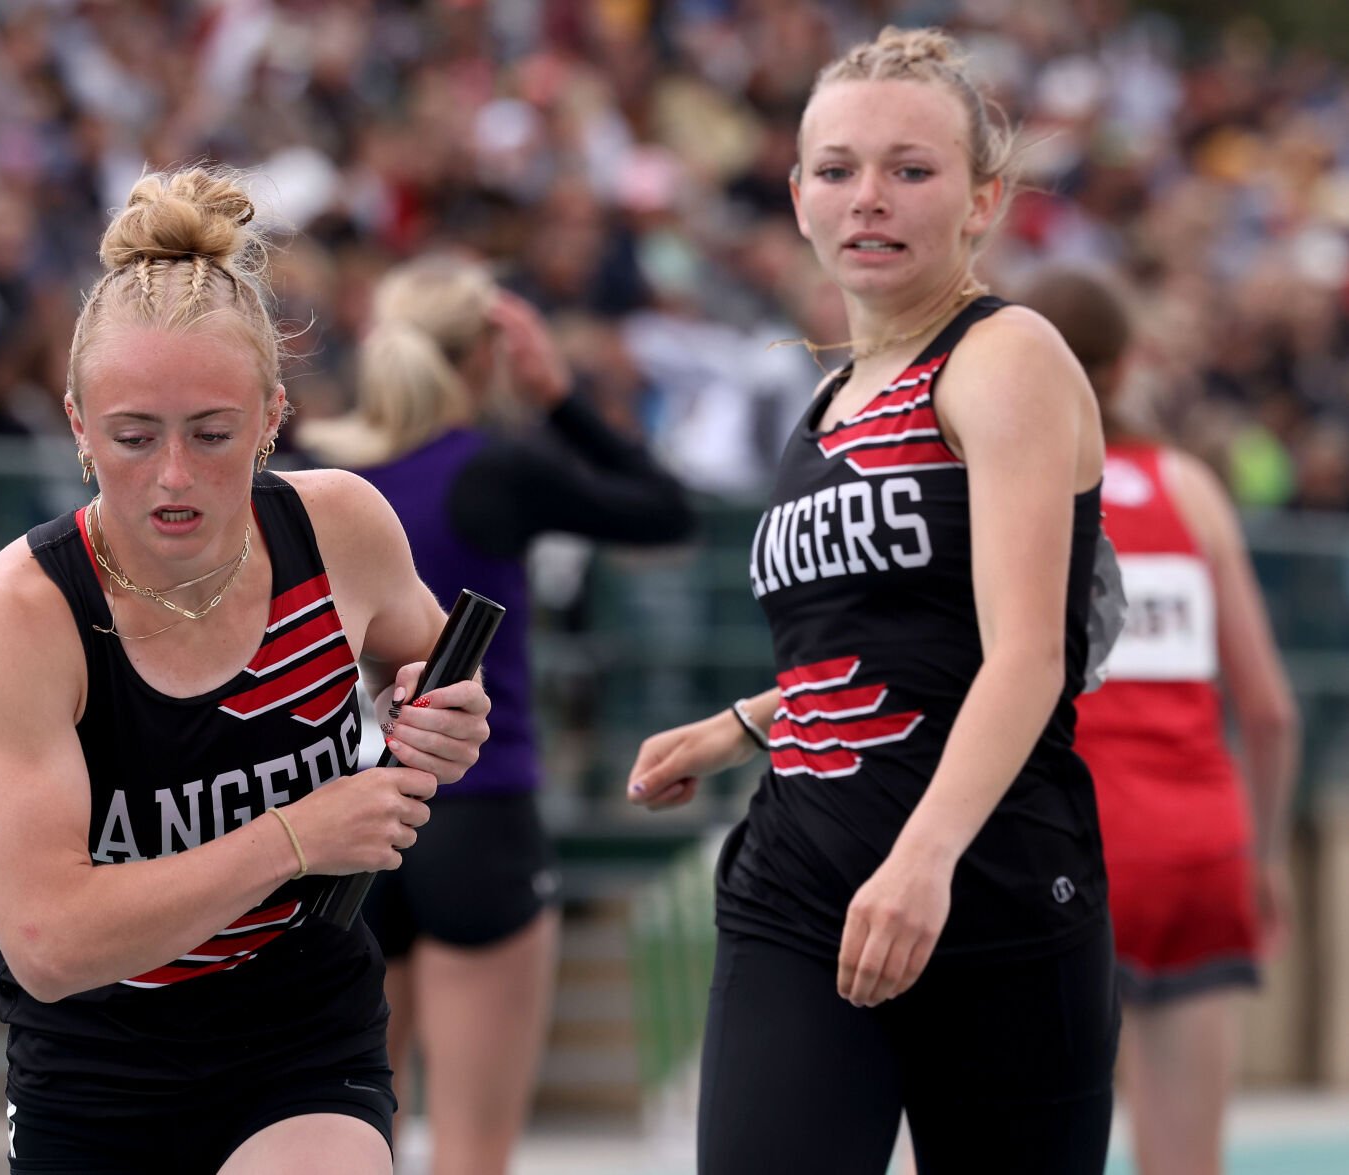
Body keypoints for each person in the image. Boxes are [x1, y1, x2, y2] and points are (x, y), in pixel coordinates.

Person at [624, 27, 1119, 1174]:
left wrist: (920, 859)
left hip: (986, 882)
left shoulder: (1003, 357)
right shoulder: (823, 401)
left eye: (910, 169)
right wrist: (745, 721)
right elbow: (882, 643)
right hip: (798, 883)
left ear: (980, 199)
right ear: (796, 196)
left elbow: (1023, 654)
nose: (869, 198)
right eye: (837, 169)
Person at [0, 165, 492, 1175]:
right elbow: (51, 943)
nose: (172, 477)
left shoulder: (338, 528)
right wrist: (294, 834)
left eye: (212, 435)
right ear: (75, 424)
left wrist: (442, 713)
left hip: (299, 1021)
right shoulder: (21, 613)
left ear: (272, 415)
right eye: (131, 436)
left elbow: (428, 667)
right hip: (98, 1053)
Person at [299, 254, 694, 1175]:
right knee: (473, 1156)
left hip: (344, 815)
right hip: (479, 811)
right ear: (486, 357)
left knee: (347, 1144)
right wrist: (559, 399)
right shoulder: (495, 468)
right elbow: (667, 512)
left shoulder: (316, 473)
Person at [1020, 265, 1299, 1175]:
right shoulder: (1189, 487)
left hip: (1056, 852)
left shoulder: (1002, 489)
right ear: (1128, 361)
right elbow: (1268, 712)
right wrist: (1261, 858)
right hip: (1195, 849)